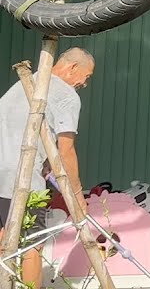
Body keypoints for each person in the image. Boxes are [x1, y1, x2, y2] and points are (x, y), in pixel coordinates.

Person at [0, 48, 94, 288]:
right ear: (72, 67)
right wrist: (76, 195)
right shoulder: (66, 95)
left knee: (3, 237)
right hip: (22, 178)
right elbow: (66, 151)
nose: (84, 83)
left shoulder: (24, 84)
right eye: (87, 76)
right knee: (33, 241)